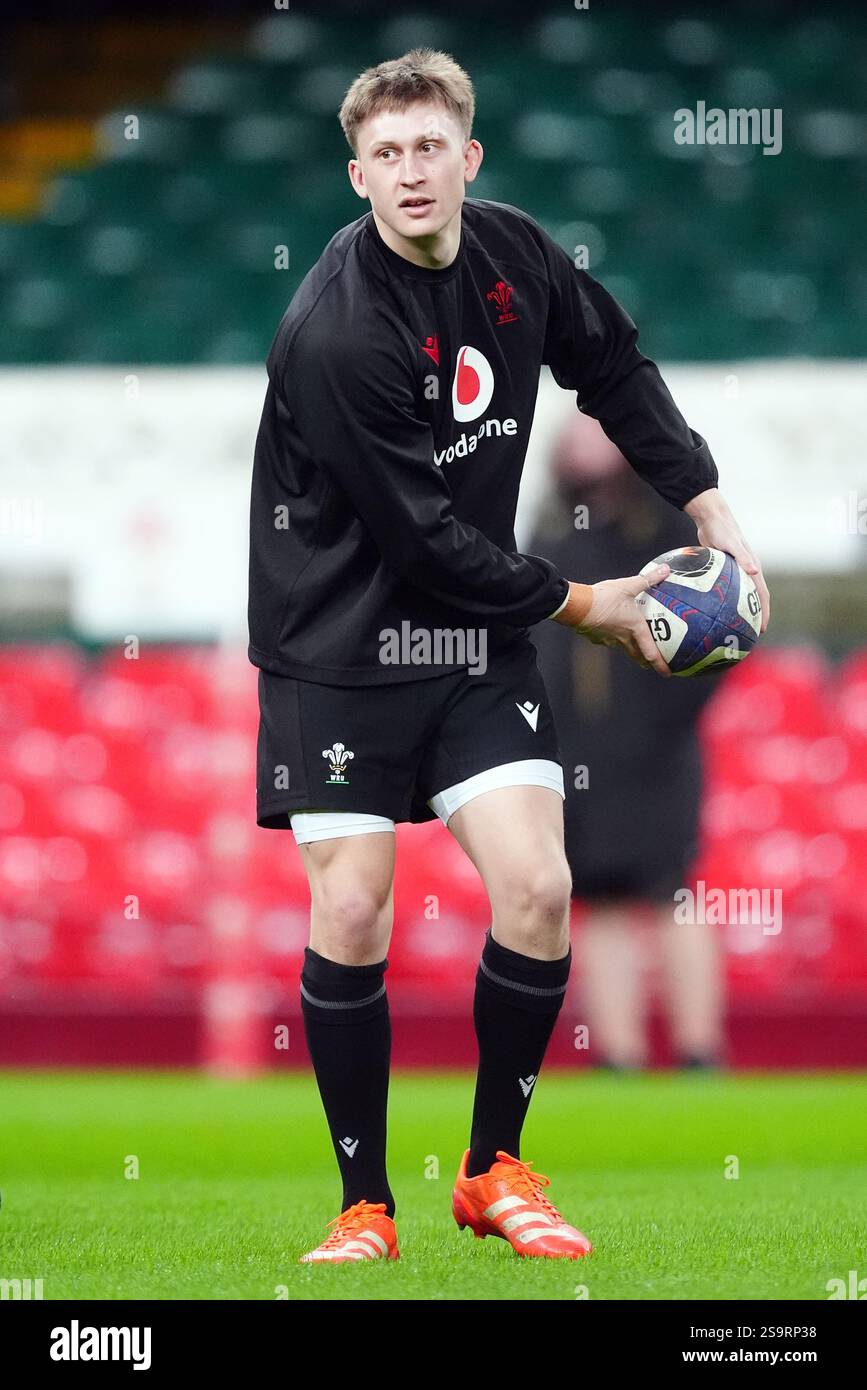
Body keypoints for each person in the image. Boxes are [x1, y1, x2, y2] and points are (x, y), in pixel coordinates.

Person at [247, 47, 769, 1264]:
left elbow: (614, 365)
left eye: (432, 147)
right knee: (359, 906)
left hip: (472, 643)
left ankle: (492, 1172)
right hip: (336, 646)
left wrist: (705, 501)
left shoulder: (517, 255)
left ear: (469, 158)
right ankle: (364, 1203)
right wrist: (590, 607)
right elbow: (420, 538)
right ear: (357, 176)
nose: (412, 172)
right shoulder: (334, 332)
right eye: (387, 155)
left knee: (540, 889)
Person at [529, 412, 727, 1074]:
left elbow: (719, 631)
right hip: (575, 753)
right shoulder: (551, 529)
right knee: (599, 901)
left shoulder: (669, 528)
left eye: (596, 428)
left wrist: (661, 720)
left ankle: (699, 1051)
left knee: (670, 890)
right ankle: (618, 1056)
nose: (580, 438)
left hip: (656, 751)